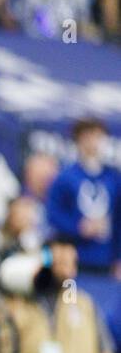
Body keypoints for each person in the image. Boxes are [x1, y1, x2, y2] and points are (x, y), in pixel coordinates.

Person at [44, 118, 120, 276]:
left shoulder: (114, 178)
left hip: (105, 260)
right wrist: (78, 227)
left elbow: (119, 221)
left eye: (98, 137)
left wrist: (118, 257)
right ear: (78, 141)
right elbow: (53, 215)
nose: (93, 143)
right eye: (88, 137)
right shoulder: (65, 177)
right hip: (74, 260)